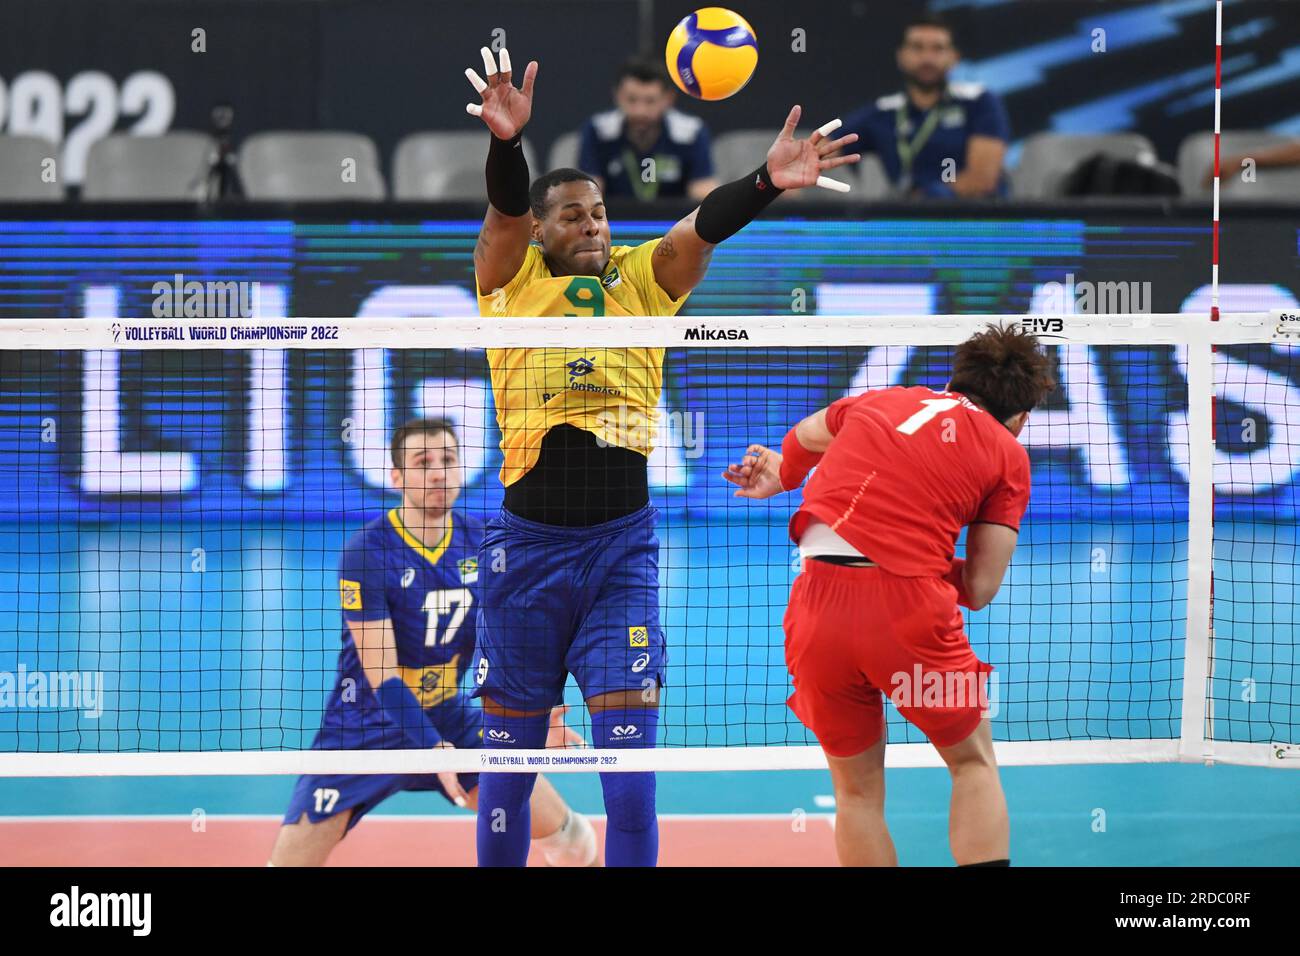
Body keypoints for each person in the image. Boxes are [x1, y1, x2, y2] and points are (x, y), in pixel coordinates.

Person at [462, 44, 859, 866]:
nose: (592, 225)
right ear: (541, 229)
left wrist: (766, 181)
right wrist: (508, 144)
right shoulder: (510, 281)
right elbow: (501, 212)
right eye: (572, 215)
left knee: (631, 785)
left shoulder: (642, 279)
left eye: (599, 213)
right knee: (507, 779)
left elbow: (701, 225)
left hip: (620, 558)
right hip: (524, 558)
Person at [723, 324, 1055, 866]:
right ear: (1020, 418)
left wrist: (785, 476)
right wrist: (912, 557)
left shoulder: (878, 400)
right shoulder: (1008, 454)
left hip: (815, 609)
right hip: (907, 615)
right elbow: (980, 587)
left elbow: (806, 434)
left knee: (856, 795)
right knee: (971, 764)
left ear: (955, 379)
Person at [270, 418, 597, 867]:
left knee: (574, 840)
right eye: (423, 463)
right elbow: (382, 676)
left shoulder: (485, 543)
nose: (439, 473)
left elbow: (517, 643)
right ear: (397, 477)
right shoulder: (367, 554)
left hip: (448, 716)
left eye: (448, 460)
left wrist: (538, 717)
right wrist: (432, 746)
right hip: (364, 727)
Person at [840, 13, 1009, 199]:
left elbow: (982, 180)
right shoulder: (884, 112)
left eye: (938, 48)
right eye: (917, 47)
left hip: (970, 214)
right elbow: (825, 148)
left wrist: (927, 199)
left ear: (955, 57)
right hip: (906, 215)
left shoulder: (978, 100)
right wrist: (813, 159)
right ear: (901, 56)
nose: (927, 58)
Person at [576, 56, 720, 202]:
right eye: (631, 100)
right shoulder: (598, 130)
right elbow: (588, 197)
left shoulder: (691, 133)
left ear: (668, 99)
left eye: (650, 101)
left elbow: (703, 193)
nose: (640, 111)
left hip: (678, 217)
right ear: (617, 96)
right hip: (611, 217)